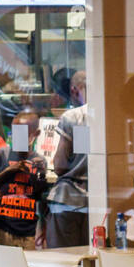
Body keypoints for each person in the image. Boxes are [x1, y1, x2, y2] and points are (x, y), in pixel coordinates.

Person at [0, 109, 47, 250]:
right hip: (3, 225)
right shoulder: (2, 155)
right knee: (4, 266)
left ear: (35, 134)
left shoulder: (38, 160)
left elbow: (39, 193)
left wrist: (37, 174)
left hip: (27, 227)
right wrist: (10, 170)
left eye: (23, 133)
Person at [45, 71, 89, 247]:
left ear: (74, 91)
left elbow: (60, 165)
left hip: (70, 199)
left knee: (65, 260)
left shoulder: (73, 117)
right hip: (100, 198)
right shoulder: (110, 115)